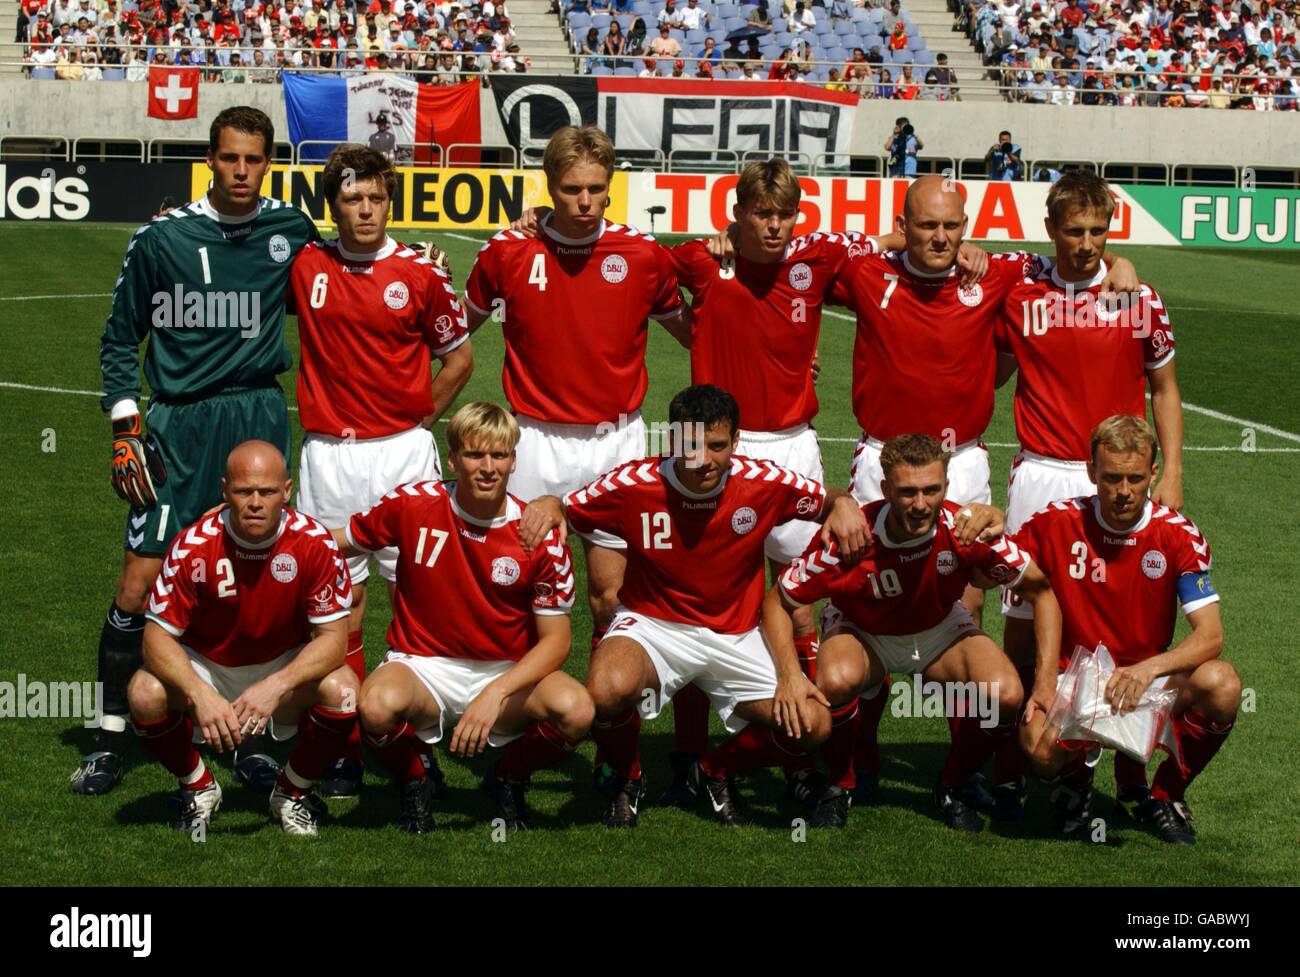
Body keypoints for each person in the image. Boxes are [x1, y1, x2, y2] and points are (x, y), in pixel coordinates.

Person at [78, 107, 321, 797]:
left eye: (253, 159)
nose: (240, 171)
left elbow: (337, 288)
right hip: (178, 425)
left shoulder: (290, 229)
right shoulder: (162, 237)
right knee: (139, 578)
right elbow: (119, 337)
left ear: (268, 163)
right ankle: (110, 733)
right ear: (209, 159)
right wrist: (126, 427)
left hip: (256, 414)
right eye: (228, 158)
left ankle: (248, 732)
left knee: (252, 578)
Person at [521, 384, 870, 827]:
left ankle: (715, 770)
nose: (702, 458)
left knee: (812, 725)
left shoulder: (764, 482)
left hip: (736, 635)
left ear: (736, 441)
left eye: (717, 445)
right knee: (607, 690)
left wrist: (843, 505)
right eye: (690, 444)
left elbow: (829, 499)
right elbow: (568, 508)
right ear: (672, 440)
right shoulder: (634, 483)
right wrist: (550, 505)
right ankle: (626, 779)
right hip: (653, 628)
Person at [990, 170, 1183, 819]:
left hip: (1117, 484)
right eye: (1074, 230)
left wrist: (1174, 474)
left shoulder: (1138, 297)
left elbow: (1164, 390)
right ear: (1051, 230)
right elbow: (974, 266)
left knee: (1126, 631)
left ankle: (1126, 776)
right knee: (1023, 627)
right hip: (1041, 478)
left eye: (1100, 231)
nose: (1088, 243)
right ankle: (1015, 761)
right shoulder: (1019, 287)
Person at [460, 125, 689, 665]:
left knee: (611, 596)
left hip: (616, 442)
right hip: (534, 440)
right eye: (570, 189)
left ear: (610, 187)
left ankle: (610, 728)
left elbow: (697, 333)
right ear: (549, 187)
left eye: (595, 188)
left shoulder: (642, 254)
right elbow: (451, 331)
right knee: (516, 581)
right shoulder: (509, 250)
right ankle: (524, 713)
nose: (584, 201)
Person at [287, 145, 473, 797]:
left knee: (417, 598)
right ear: (332, 204)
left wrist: (419, 422)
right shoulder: (306, 263)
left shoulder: (421, 272)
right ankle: (340, 740)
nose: (364, 210)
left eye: (375, 198)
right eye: (351, 198)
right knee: (339, 602)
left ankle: (412, 739)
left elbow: (459, 359)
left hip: (402, 457)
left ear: (389, 202)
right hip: (327, 459)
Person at [766, 433, 1059, 829]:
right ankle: (843, 781)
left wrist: (1045, 684)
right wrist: (788, 675)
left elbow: (1041, 591)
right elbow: (778, 600)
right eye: (907, 492)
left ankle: (953, 783)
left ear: (947, 487)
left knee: (1005, 693)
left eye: (931, 490)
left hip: (937, 629)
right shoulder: (851, 540)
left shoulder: (964, 529)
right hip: (863, 631)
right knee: (837, 679)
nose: (920, 504)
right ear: (885, 488)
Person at [336, 403, 591, 832]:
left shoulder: (538, 535)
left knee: (577, 710)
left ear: (513, 459)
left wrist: (495, 693)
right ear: (452, 459)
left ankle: (507, 777)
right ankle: (416, 781)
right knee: (375, 706)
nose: (487, 468)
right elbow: (334, 543)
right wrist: (262, 532)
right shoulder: (413, 504)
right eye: (475, 455)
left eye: (499, 455)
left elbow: (557, 642)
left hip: (506, 672)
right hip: (422, 665)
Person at [1015, 416, 1237, 845]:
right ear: (1090, 470)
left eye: (1135, 478)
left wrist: (1147, 670)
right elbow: (995, 562)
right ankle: (1075, 784)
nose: (1123, 491)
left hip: (1146, 683)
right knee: (1040, 751)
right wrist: (986, 517)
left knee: (1224, 685)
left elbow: (1210, 636)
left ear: (1153, 474)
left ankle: (1163, 795)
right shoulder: (1053, 522)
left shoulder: (1178, 536)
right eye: (1111, 477)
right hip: (1072, 680)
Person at [127, 442, 356, 835]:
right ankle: (198, 787)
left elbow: (334, 639)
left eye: (266, 492)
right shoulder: (193, 544)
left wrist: (275, 685)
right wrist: (200, 693)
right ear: (224, 489)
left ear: (286, 491)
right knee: (144, 693)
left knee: (345, 691)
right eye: (243, 491)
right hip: (209, 665)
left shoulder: (314, 542)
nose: (255, 502)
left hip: (281, 664)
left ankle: (291, 793)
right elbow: (155, 638)